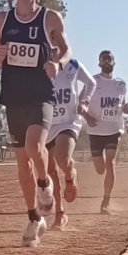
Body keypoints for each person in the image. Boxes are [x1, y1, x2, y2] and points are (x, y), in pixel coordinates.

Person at [0, 0, 71, 248]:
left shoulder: (49, 18)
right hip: (13, 96)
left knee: (35, 148)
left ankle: (45, 184)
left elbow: (66, 49)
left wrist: (57, 63)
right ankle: (35, 219)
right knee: (22, 161)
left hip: (40, 95)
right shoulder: (2, 19)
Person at [45, 52, 96, 229]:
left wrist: (85, 102)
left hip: (68, 121)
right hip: (46, 122)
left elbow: (91, 83)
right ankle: (60, 213)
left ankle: (70, 173)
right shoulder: (38, 65)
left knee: (62, 158)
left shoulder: (72, 65)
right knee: (50, 171)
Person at [85, 51, 128, 214]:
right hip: (96, 130)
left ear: (114, 63)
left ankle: (106, 201)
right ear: (99, 63)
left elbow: (123, 105)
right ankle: (101, 165)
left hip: (114, 129)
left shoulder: (121, 84)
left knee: (110, 164)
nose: (106, 62)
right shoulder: (92, 81)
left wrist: (126, 109)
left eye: (109, 60)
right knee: (100, 169)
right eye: (103, 60)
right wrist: (86, 116)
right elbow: (81, 103)